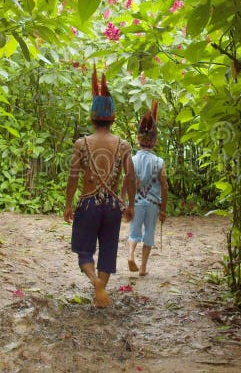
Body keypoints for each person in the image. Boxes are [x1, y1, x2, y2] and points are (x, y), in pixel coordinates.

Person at [64, 67, 136, 308]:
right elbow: (131, 177)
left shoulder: (81, 144)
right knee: (108, 251)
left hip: (88, 204)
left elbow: (73, 177)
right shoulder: (123, 145)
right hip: (113, 206)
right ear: (113, 118)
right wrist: (130, 204)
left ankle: (95, 283)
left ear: (92, 118)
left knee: (84, 252)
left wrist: (68, 204)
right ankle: (100, 292)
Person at [124, 101, 168, 276]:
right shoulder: (159, 162)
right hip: (152, 204)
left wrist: (124, 201)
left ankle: (130, 256)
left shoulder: (132, 160)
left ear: (138, 140)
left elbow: (126, 180)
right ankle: (143, 268)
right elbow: (164, 186)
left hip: (135, 202)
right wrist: (163, 209)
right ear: (154, 142)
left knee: (134, 232)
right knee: (149, 234)